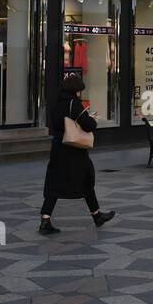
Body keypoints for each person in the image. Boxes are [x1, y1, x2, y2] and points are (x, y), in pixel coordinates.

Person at [40, 74, 114, 235]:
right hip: (74, 151)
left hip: (59, 148)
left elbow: (55, 124)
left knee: (54, 184)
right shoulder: (74, 104)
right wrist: (92, 119)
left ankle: (45, 220)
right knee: (86, 180)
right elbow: (88, 125)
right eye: (80, 90)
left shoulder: (57, 104)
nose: (80, 93)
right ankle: (97, 216)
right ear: (76, 90)